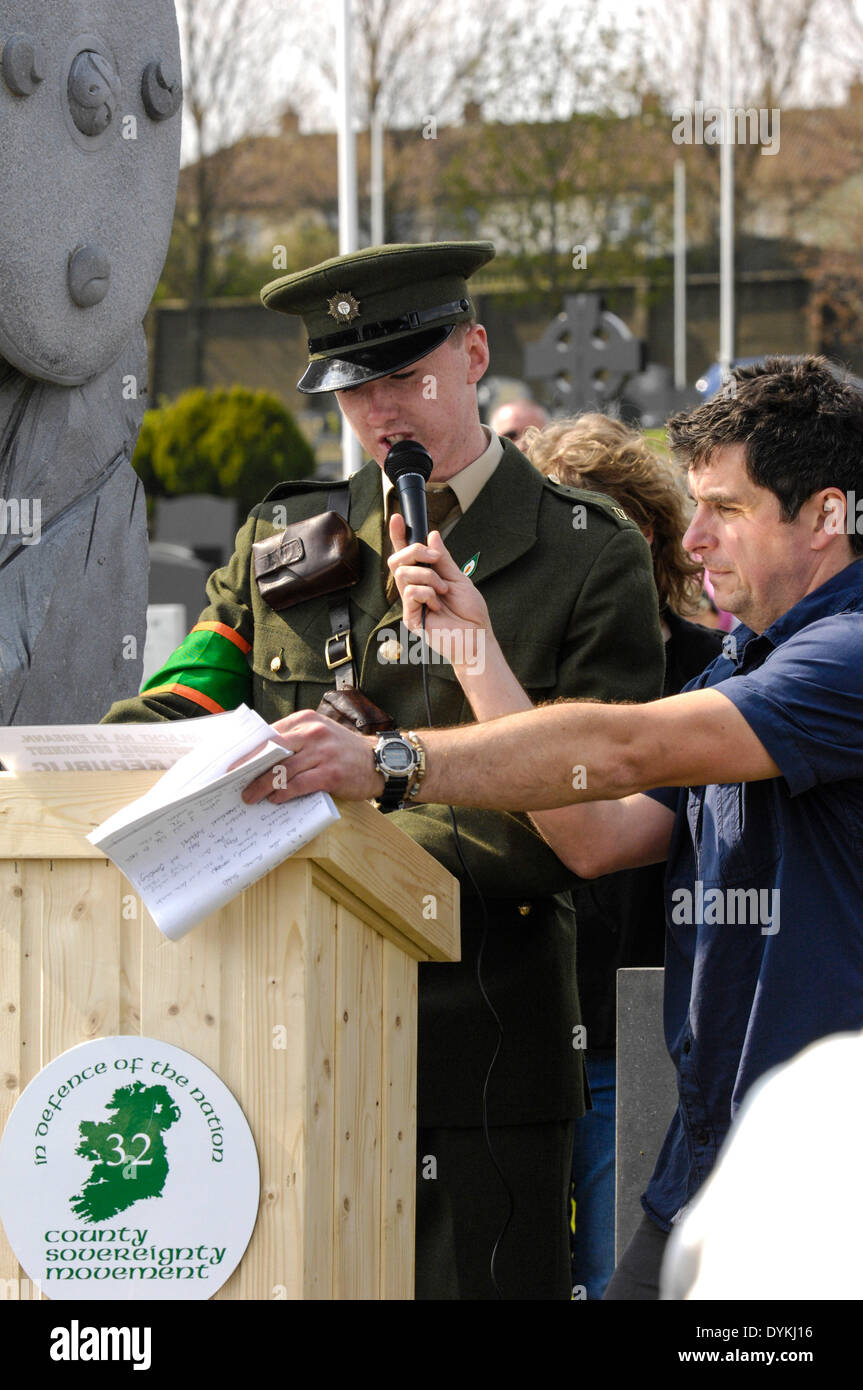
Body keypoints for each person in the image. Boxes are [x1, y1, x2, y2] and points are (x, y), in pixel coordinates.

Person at [102, 240, 666, 1299]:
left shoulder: (585, 554)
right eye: (356, 386)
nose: (382, 412)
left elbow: (604, 801)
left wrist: (399, 764)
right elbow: (176, 704)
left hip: (484, 1042)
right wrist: (74, 769)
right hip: (289, 1017)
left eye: (407, 375)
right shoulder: (285, 540)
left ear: (474, 354)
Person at [242, 355, 863, 1299]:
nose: (691, 539)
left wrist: (390, 762)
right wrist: (474, 650)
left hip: (819, 1182)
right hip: (711, 1162)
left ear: (826, 515)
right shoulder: (749, 658)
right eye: (693, 506)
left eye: (725, 510)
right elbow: (594, 834)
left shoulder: (846, 656)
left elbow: (617, 749)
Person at [522, 413, 722, 1298]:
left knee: (616, 1273)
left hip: (636, 1010)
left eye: (594, 521)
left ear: (645, 531)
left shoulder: (709, 667)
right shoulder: (522, 666)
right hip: (519, 1005)